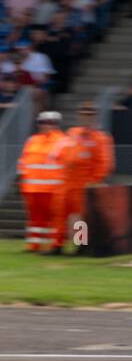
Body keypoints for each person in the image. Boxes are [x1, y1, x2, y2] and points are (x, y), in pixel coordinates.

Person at [63, 103, 116, 244]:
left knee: (88, 216)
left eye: (89, 115)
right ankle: (79, 243)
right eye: (83, 114)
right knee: (75, 215)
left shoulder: (101, 138)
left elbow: (105, 162)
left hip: (89, 183)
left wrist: (95, 181)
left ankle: (86, 244)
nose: (85, 118)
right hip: (71, 182)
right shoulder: (72, 133)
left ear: (94, 117)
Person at [17, 111, 68, 253]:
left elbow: (67, 165)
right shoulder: (32, 140)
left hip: (53, 189)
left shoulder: (63, 141)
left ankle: (52, 245)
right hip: (32, 188)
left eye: (49, 122)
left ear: (56, 124)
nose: (45, 125)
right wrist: (20, 178)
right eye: (42, 122)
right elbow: (23, 161)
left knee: (52, 219)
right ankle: (34, 245)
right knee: (34, 219)